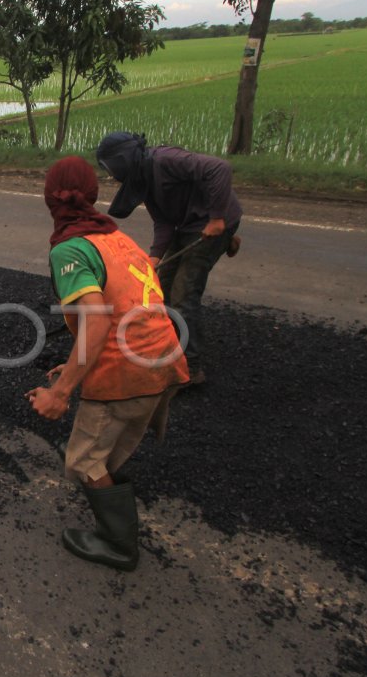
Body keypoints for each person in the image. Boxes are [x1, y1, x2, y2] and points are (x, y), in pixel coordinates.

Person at [26, 156, 189, 572]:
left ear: (49, 199)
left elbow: (98, 320)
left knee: (83, 461)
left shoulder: (70, 250)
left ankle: (119, 545)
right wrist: (73, 367)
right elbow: (125, 306)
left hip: (126, 373)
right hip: (163, 358)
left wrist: (61, 394)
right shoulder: (117, 237)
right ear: (94, 196)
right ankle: (114, 499)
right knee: (105, 450)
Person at [95, 132, 243, 385]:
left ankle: (190, 369)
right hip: (186, 224)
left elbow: (220, 168)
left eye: (111, 168)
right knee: (159, 289)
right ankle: (165, 346)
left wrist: (217, 218)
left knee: (183, 295)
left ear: (122, 160)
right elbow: (163, 220)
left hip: (210, 223)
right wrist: (154, 258)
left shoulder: (166, 160)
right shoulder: (142, 178)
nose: (111, 175)